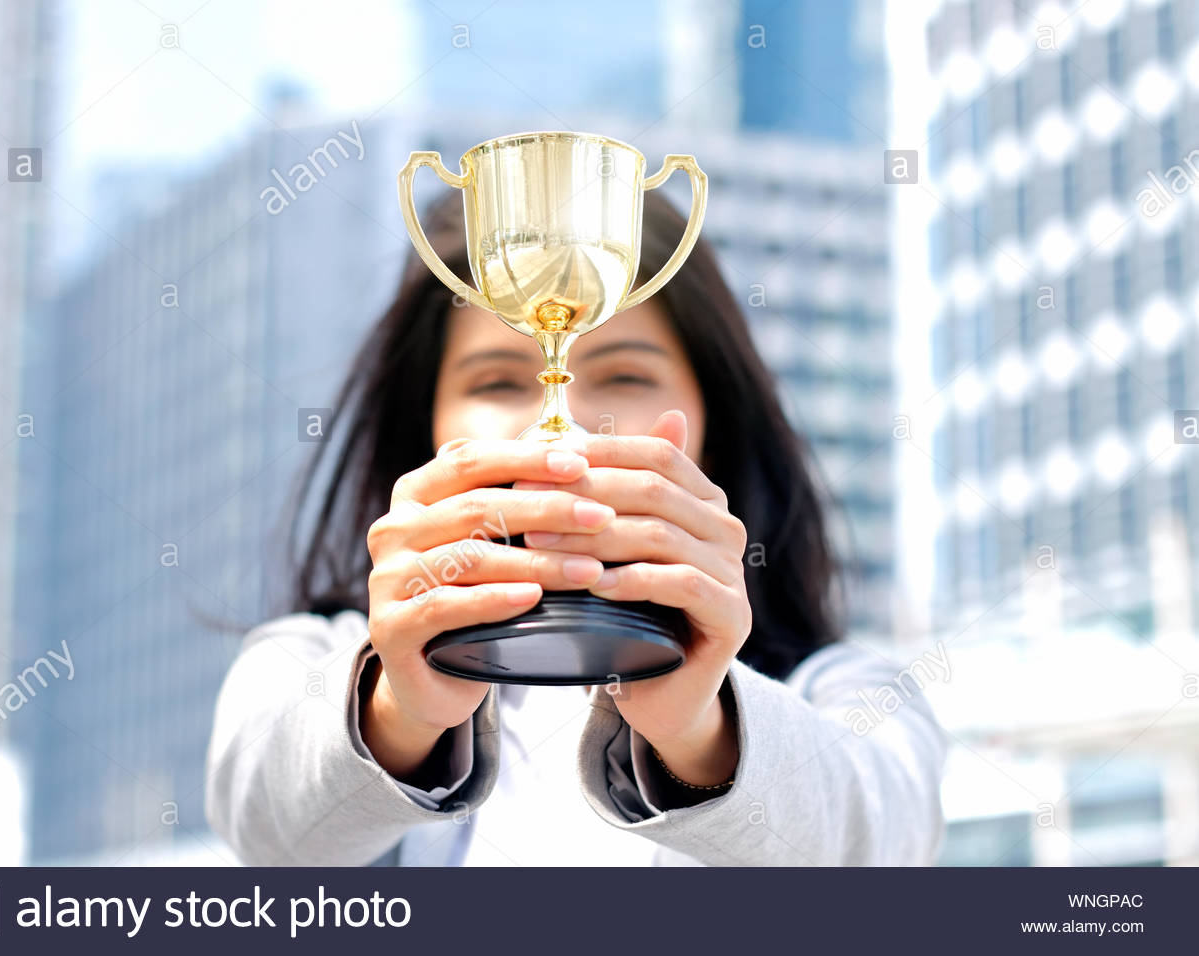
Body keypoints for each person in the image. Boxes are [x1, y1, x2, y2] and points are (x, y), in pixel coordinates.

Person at [204, 186, 947, 866]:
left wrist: (699, 725)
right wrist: (399, 707)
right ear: (425, 432)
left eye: (624, 375)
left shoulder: (845, 688)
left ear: (711, 430)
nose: (560, 432)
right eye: (495, 381)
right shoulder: (316, 660)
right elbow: (270, 832)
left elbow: (874, 841)